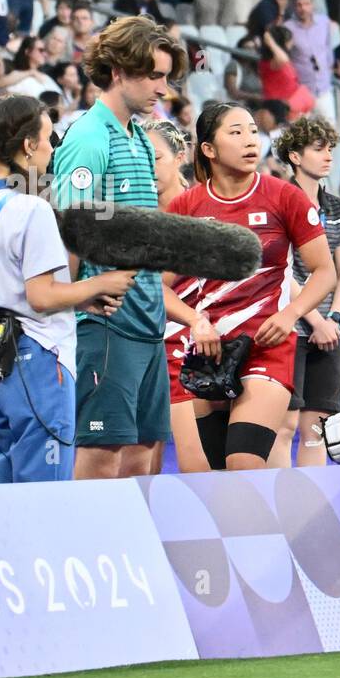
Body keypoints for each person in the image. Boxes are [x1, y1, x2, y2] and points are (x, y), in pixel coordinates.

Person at [52, 16, 205, 481]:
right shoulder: (88, 138)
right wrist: (74, 300)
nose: (163, 87)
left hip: (146, 322)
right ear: (119, 71)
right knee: (101, 454)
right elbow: (67, 234)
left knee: (143, 453)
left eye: (165, 76)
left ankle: (131, 554)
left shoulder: (141, 136)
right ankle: (86, 554)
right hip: (105, 327)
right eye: (154, 76)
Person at [0, 95, 136, 482]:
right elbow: (41, 296)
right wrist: (100, 283)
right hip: (40, 358)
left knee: (10, 489)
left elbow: (20, 289)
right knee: (47, 497)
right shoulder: (33, 208)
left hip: (1, 360)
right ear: (28, 145)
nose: (53, 148)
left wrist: (82, 296)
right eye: (50, 138)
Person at [165, 102, 336, 471]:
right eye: (236, 132)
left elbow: (325, 271)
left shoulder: (284, 196)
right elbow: (157, 288)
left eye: (252, 131)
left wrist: (292, 314)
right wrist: (195, 321)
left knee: (244, 461)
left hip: (268, 347)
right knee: (214, 474)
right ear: (208, 149)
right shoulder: (185, 207)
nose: (249, 141)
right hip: (209, 351)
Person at [270, 117, 340, 468]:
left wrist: (333, 319)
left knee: (318, 429)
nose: (329, 156)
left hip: (328, 330)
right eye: (319, 149)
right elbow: (282, 270)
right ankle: (277, 509)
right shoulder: (277, 199)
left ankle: (307, 510)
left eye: (331, 149)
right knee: (284, 426)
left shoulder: (334, 206)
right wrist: (315, 320)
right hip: (290, 327)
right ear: (295, 156)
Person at [146, 118, 211, 475]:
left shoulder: (204, 207)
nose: (147, 167)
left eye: (154, 157)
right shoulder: (134, 213)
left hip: (192, 352)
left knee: (198, 465)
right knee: (141, 464)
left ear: (180, 156)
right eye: (140, 158)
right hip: (140, 349)